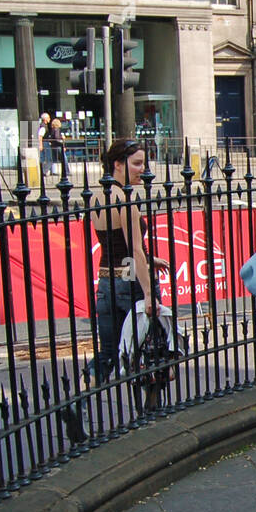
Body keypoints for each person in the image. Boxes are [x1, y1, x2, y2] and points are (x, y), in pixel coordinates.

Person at [89, 139, 169, 386]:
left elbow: (114, 245)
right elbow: (134, 250)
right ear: (118, 164)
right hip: (131, 282)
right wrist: (148, 293)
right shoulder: (126, 202)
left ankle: (78, 400)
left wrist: (150, 258)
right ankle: (152, 407)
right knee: (152, 347)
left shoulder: (96, 197)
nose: (143, 170)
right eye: (136, 163)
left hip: (106, 284)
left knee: (108, 353)